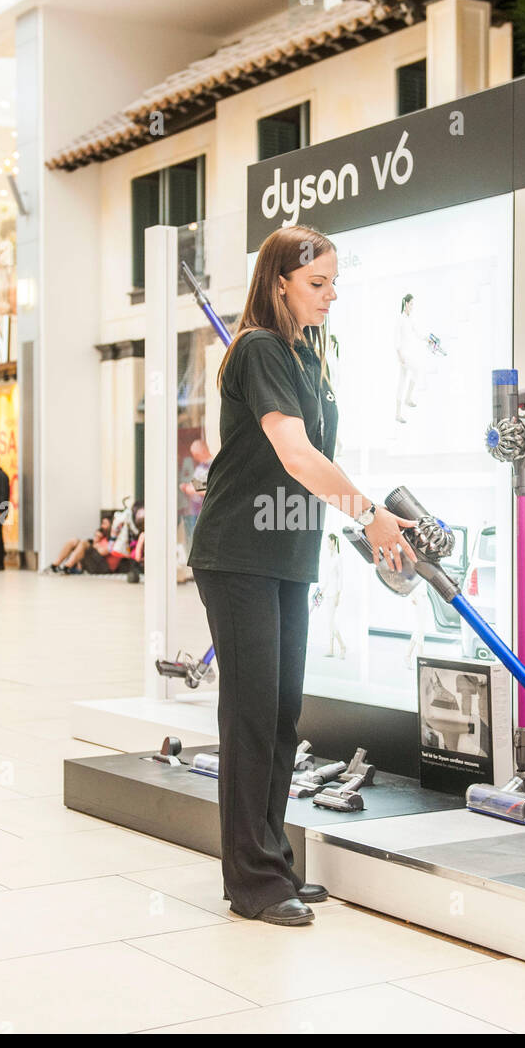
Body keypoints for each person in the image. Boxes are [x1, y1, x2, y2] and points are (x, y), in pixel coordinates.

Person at [186, 224, 416, 926]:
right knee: (251, 715)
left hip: (286, 551)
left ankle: (272, 862)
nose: (331, 295)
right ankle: (251, 883)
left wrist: (361, 522)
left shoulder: (306, 354)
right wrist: (370, 512)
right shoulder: (257, 348)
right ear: (279, 280)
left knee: (282, 714)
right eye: (318, 283)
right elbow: (292, 453)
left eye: (334, 283)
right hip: (237, 552)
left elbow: (313, 464)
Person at [394, 292, 424, 424]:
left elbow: (417, 332)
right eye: (411, 304)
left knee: (402, 381)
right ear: (406, 304)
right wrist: (399, 354)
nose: (412, 306)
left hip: (407, 354)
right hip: (403, 355)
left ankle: (397, 414)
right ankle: (407, 398)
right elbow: (396, 338)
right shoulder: (401, 318)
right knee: (417, 369)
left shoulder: (409, 318)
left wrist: (427, 339)